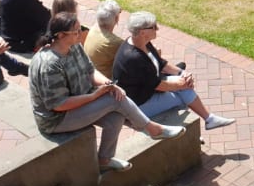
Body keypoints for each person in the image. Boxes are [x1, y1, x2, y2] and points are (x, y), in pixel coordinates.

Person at [28, 11, 185, 173]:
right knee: (113, 100)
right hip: (57, 120)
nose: (81, 34)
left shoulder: (74, 46)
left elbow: (90, 71)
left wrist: (109, 84)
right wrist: (94, 96)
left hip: (78, 102)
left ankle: (104, 159)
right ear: (60, 35)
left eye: (80, 29)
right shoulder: (49, 65)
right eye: (76, 32)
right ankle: (153, 129)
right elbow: (59, 105)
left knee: (116, 115)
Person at [113, 10, 235, 128]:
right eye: (153, 26)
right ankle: (200, 124)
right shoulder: (133, 58)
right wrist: (182, 84)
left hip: (149, 92)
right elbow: (157, 85)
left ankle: (208, 120)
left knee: (184, 89)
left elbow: (162, 64)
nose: (157, 28)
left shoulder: (143, 42)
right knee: (183, 98)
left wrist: (182, 73)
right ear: (142, 32)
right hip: (137, 106)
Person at [83, 0, 124, 77]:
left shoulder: (94, 28)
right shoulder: (115, 42)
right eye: (119, 12)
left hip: (89, 75)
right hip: (104, 82)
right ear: (116, 18)